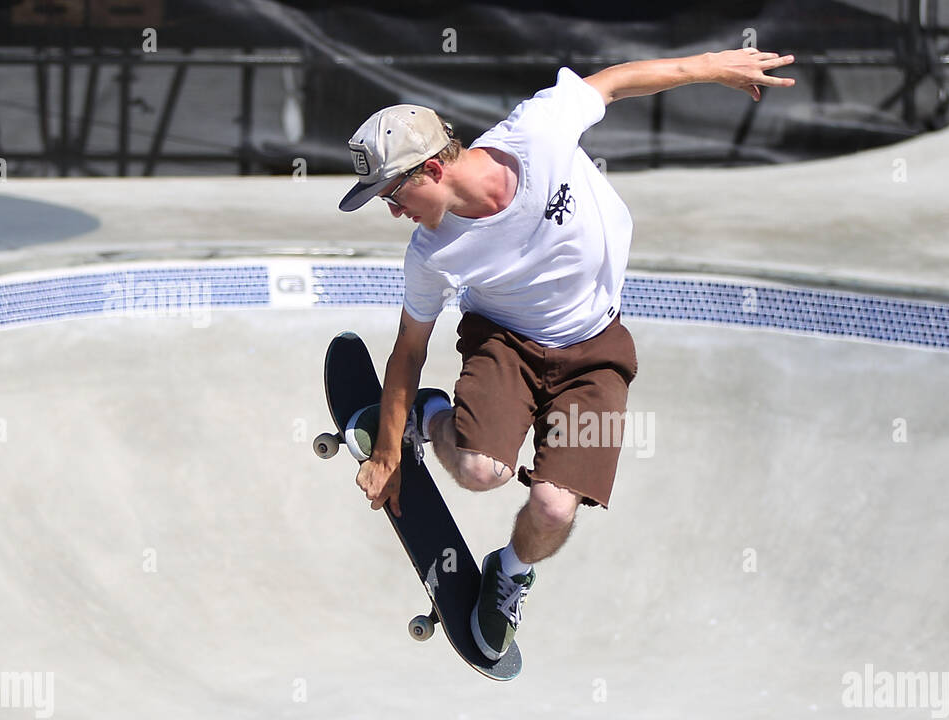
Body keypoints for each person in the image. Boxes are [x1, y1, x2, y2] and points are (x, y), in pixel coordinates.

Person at [339, 48, 794, 661]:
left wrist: (717, 66)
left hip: (597, 349)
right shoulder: (431, 254)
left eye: (393, 194)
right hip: (506, 340)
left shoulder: (537, 132)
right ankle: (430, 419)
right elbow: (408, 350)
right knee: (479, 471)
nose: (393, 211)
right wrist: (391, 449)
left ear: (429, 170)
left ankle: (511, 572)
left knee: (554, 508)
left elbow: (617, 81)